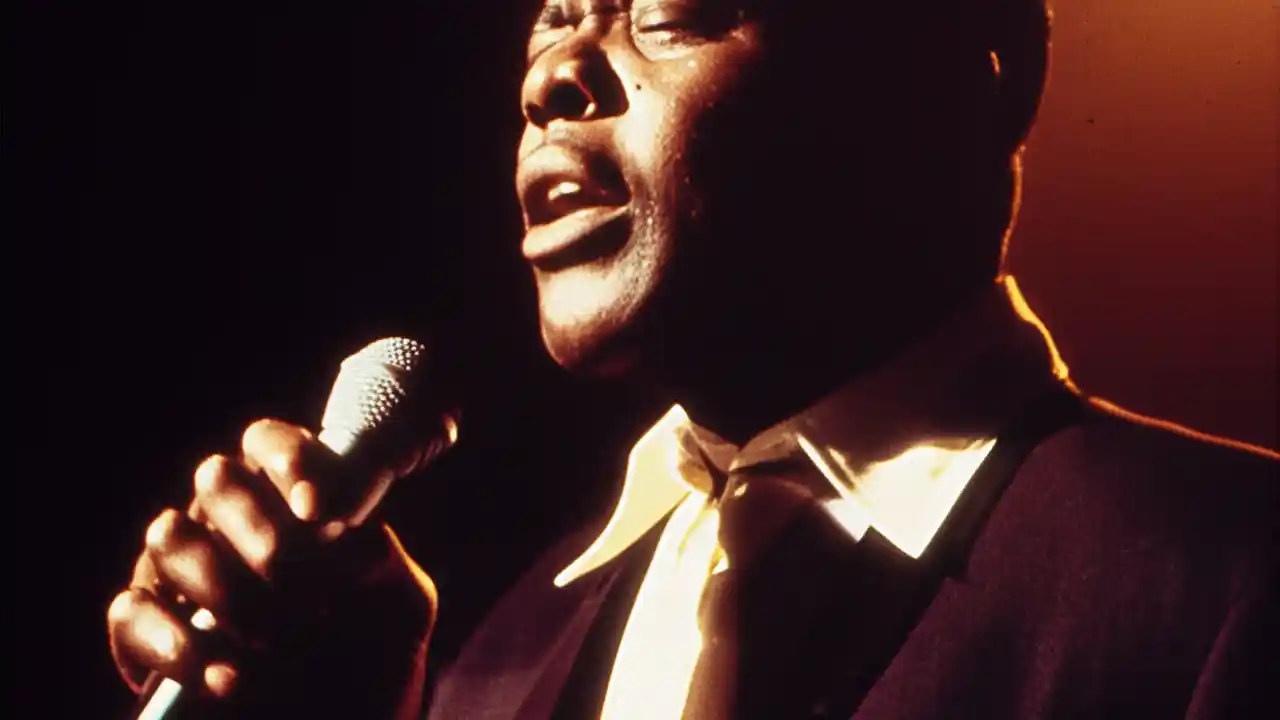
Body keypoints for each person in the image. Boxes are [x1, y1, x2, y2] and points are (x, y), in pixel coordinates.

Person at [107, 1, 1278, 718]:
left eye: (662, 11)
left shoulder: (1226, 584)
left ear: (977, 64)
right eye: (552, 16)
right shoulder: (490, 673)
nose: (550, 77)